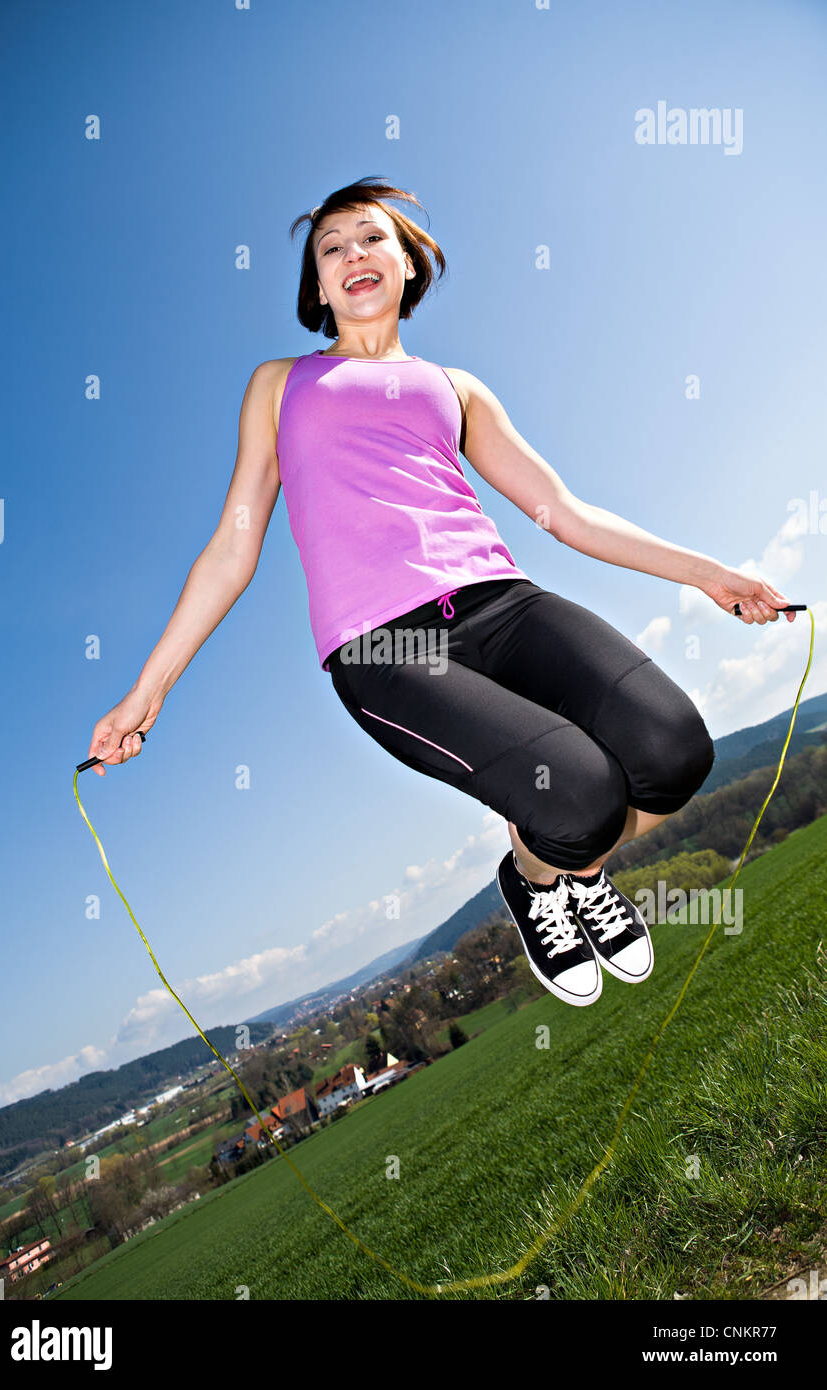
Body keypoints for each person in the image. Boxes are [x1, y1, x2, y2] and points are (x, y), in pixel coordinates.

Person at [87, 177, 797, 1010]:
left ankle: (575, 868)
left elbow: (561, 511)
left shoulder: (455, 388)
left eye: (371, 238)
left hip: (502, 603)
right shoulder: (280, 386)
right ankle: (539, 881)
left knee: (675, 751)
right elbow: (233, 547)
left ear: (406, 264)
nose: (354, 254)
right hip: (387, 646)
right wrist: (149, 690)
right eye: (332, 246)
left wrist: (710, 574)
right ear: (318, 286)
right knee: (583, 797)